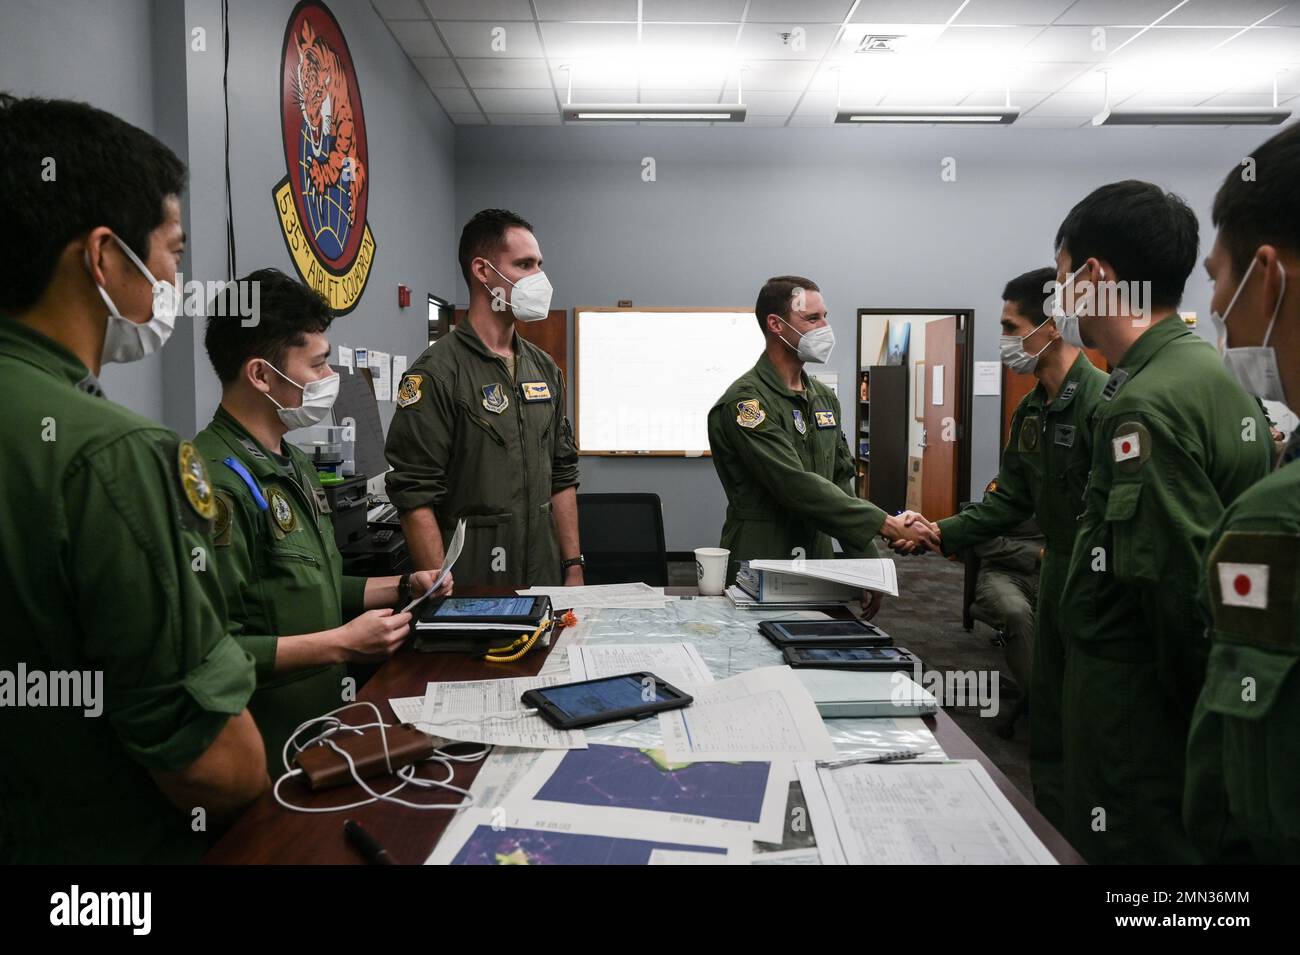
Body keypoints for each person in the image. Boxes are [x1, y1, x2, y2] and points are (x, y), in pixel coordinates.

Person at [0, 94, 266, 862]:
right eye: (174, 252)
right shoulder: (113, 454)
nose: (175, 278)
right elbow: (214, 764)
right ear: (106, 256)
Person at [1051, 180, 1271, 864]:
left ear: (1095, 278)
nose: (1061, 302)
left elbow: (1178, 596)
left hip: (1143, 729)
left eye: (1062, 282)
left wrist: (1198, 735)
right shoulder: (1209, 374)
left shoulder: (1144, 405)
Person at [197, 269, 452, 766]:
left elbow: (315, 586)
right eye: (317, 366)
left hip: (320, 732)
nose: (329, 380)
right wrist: (341, 644)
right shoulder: (213, 482)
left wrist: (404, 585)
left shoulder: (291, 463)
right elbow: (211, 654)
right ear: (262, 375)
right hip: (264, 747)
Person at [899, 266, 1106, 828]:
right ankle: (1054, 835)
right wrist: (942, 532)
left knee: (1096, 731)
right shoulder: (1030, 412)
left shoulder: (1105, 405)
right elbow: (1008, 501)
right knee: (1050, 727)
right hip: (1058, 578)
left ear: (1052, 327)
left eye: (1012, 326)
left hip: (1097, 585)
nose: (1005, 340)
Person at [1185, 120, 1300, 863]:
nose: (1218, 306)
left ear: (1267, 276)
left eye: (1217, 277)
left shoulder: (1277, 520)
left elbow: (1255, 817)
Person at [707, 275, 933, 617]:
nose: (825, 327)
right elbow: (793, 485)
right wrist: (886, 523)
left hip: (817, 557)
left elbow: (841, 482)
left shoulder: (823, 399)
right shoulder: (746, 403)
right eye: (812, 319)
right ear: (776, 325)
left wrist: (867, 565)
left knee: (817, 651)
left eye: (824, 316)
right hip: (762, 557)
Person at [385, 209, 582, 587]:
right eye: (524, 264)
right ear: (483, 271)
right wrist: (441, 593)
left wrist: (573, 566)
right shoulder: (437, 372)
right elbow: (415, 493)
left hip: (543, 574)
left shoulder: (543, 369)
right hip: (472, 581)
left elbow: (563, 474)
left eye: (539, 264)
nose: (538, 278)